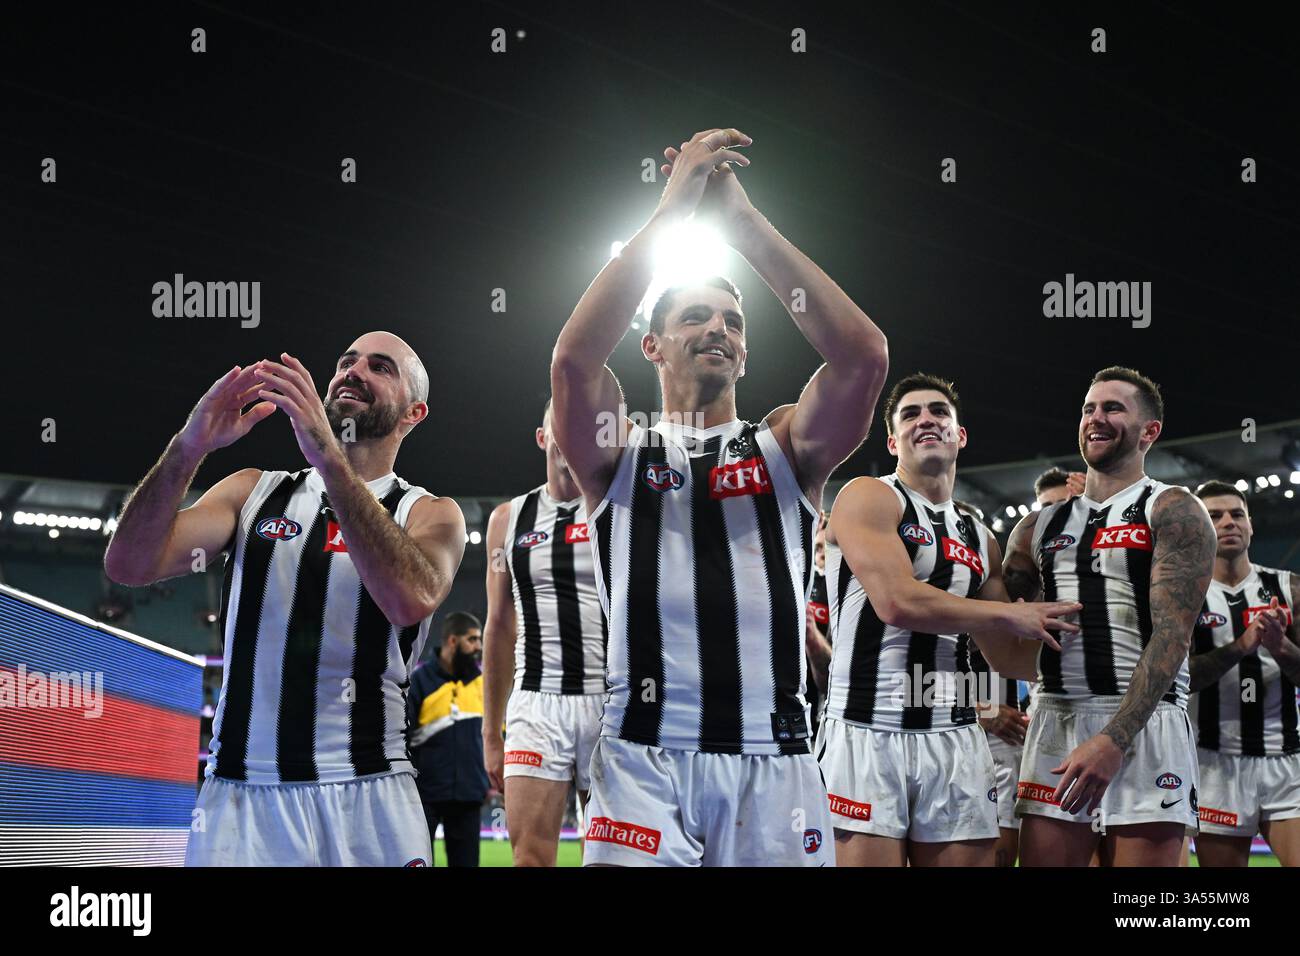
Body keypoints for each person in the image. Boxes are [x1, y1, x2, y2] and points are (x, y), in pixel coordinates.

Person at [550, 127, 889, 866]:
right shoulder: (617, 447)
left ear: (745, 348)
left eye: (733, 322)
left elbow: (863, 356)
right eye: (695, 317)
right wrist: (672, 213)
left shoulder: (784, 447)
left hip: (775, 756)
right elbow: (574, 361)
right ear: (653, 345)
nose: (719, 329)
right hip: (644, 756)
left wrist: (745, 226)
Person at [104, 332, 466, 866]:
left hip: (368, 794)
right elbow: (129, 564)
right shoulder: (253, 490)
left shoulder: (429, 512)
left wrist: (329, 460)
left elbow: (411, 597)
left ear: (415, 411)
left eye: (380, 367)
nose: (354, 371)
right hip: (241, 796)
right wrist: (189, 446)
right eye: (347, 361)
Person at [818, 373, 1079, 866]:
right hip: (867, 733)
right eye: (910, 414)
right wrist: (1008, 613)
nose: (926, 420)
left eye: (938, 412)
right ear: (894, 440)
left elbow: (1009, 656)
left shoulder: (981, 538)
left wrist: (1076, 530)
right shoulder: (868, 495)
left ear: (959, 435)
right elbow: (898, 603)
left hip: (955, 737)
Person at [1002, 366, 1215, 866]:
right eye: (1088, 409)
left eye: (1113, 407)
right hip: (1056, 717)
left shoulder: (1172, 508)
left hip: (1144, 725)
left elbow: (1172, 637)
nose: (1095, 418)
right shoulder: (1036, 526)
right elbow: (987, 621)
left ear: (1150, 431)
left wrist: (1113, 740)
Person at [482, 400, 606, 866]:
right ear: (542, 437)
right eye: (564, 424)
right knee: (530, 858)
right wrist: (490, 734)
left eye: (585, 427)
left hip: (609, 705)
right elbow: (498, 627)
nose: (573, 435)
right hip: (536, 704)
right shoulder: (507, 520)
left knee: (611, 857)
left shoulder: (617, 509)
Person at [1187, 480, 1299, 866]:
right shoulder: (1181, 594)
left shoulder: (1289, 588)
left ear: (1251, 525)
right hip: (1214, 762)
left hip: (1285, 759)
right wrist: (1241, 646)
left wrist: (1280, 647)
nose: (1228, 522)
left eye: (1237, 514)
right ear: (1198, 527)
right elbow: (1179, 678)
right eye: (1214, 516)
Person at [408, 612, 490, 867]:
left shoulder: (483, 684)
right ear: (452, 641)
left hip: (468, 795)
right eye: (473, 640)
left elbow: (495, 736)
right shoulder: (419, 680)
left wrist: (486, 778)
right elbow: (405, 736)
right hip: (425, 794)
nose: (479, 647)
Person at [805, 511, 833, 740]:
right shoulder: (805, 579)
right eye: (818, 547)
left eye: (827, 547)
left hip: (825, 688)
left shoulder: (843, 587)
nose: (822, 554)